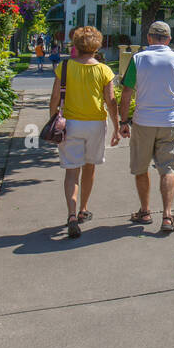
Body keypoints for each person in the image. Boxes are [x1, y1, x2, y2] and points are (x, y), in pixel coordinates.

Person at [116, 20, 174, 233]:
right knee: (167, 169)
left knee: (141, 168)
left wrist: (123, 122)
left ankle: (145, 211)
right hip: (169, 122)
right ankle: (167, 216)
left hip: (143, 122)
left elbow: (126, 93)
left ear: (149, 38)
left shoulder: (138, 59)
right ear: (168, 39)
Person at [49, 25, 119, 238]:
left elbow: (54, 99)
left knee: (72, 171)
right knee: (89, 167)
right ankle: (83, 209)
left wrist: (53, 120)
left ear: (76, 45)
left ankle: (71, 214)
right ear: (97, 46)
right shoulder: (104, 70)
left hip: (70, 124)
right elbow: (111, 102)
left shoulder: (65, 67)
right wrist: (117, 126)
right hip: (95, 124)